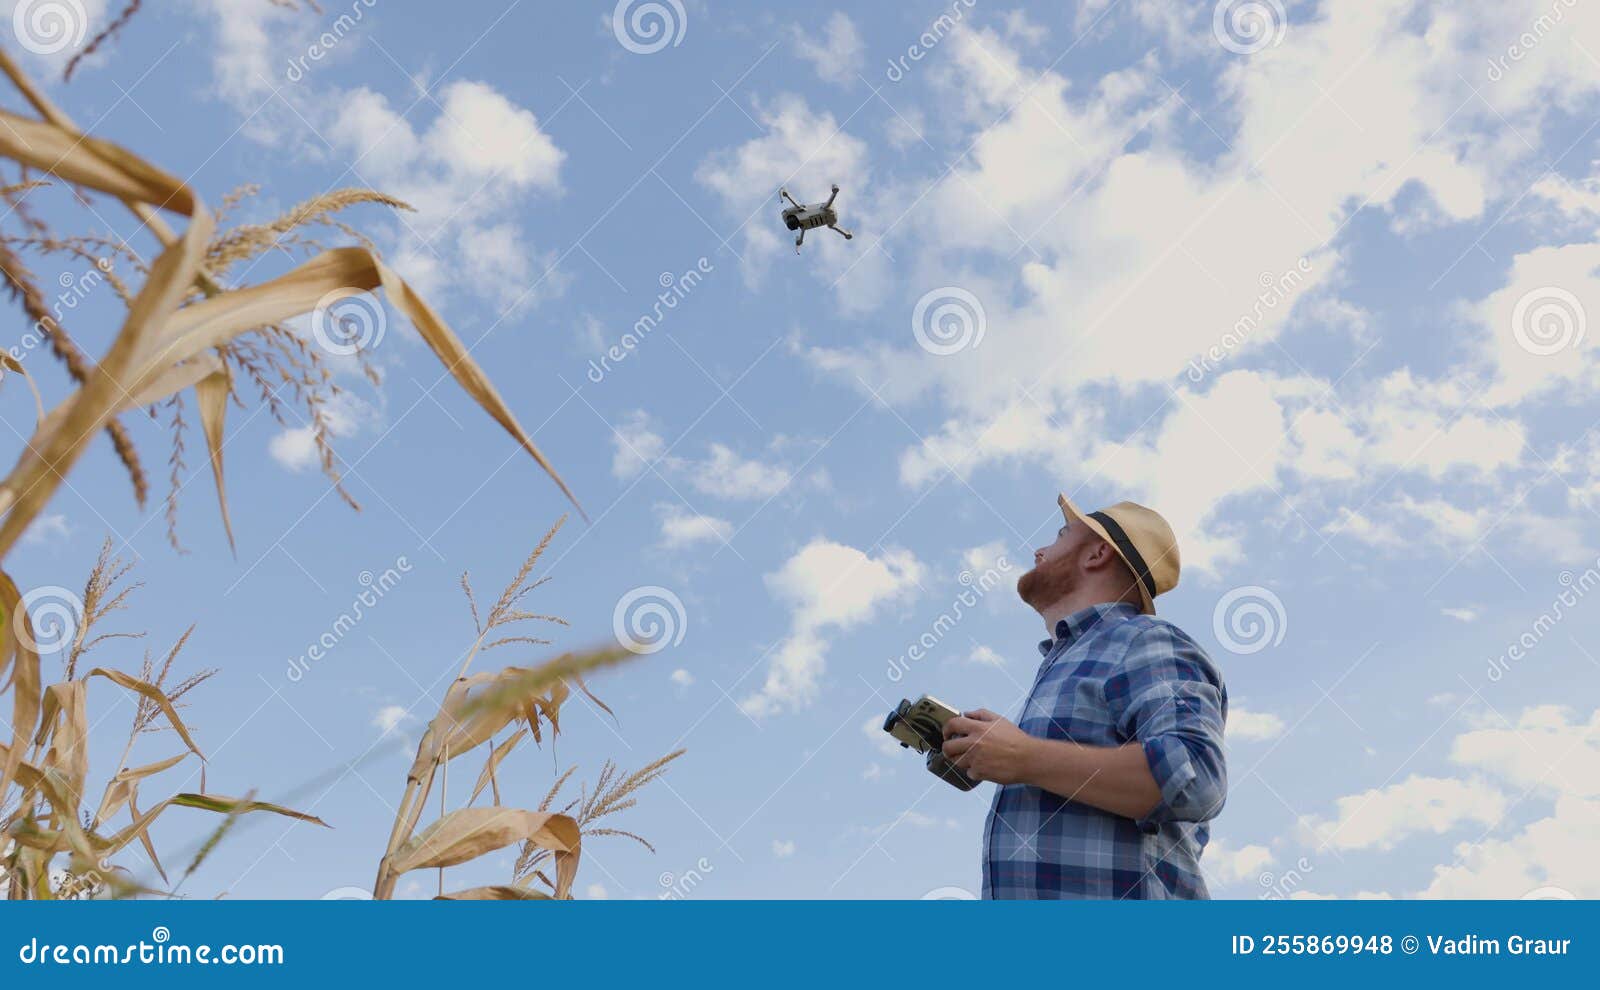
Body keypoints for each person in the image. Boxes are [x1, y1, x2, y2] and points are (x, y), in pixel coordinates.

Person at [941, 494, 1228, 899]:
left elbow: (1196, 775)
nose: (1039, 550)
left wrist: (1024, 757)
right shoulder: (1069, 660)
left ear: (1097, 553)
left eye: (1060, 535)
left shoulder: (1144, 640)